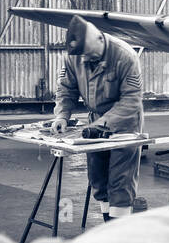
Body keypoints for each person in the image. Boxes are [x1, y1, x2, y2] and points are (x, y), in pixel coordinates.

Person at [52, 15, 144, 221]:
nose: (84, 60)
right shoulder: (75, 56)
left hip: (125, 123)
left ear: (100, 41)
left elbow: (132, 100)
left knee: (121, 181)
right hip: (94, 120)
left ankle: (117, 234)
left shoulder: (125, 56)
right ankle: (108, 224)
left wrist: (102, 124)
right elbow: (66, 89)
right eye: (82, 56)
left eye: (89, 56)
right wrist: (62, 115)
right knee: (98, 177)